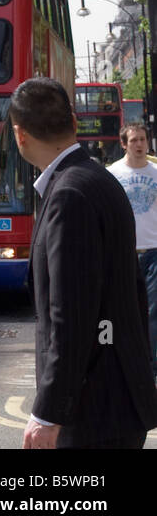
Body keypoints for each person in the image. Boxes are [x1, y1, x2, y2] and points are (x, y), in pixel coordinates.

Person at [10, 78, 157, 448]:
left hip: (92, 411)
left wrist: (48, 413)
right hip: (116, 401)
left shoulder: (69, 195)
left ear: (20, 134)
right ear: (73, 123)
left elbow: (70, 316)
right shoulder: (98, 179)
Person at [108, 121, 157, 378]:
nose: (139, 144)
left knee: (152, 313)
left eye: (143, 139)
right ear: (124, 144)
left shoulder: (156, 172)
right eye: (134, 140)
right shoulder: (113, 175)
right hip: (125, 253)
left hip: (154, 252)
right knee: (124, 311)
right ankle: (124, 363)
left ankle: (151, 369)